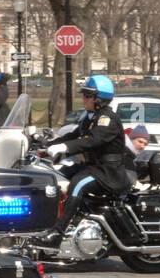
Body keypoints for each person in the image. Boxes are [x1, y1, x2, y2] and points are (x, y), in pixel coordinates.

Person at [40, 76, 135, 236]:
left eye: (87, 95)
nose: (83, 98)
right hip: (94, 168)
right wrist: (46, 146)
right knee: (57, 175)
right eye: (84, 94)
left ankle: (57, 232)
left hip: (108, 173)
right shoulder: (91, 118)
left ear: (99, 99)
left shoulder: (108, 120)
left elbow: (93, 140)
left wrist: (64, 147)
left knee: (77, 184)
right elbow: (73, 136)